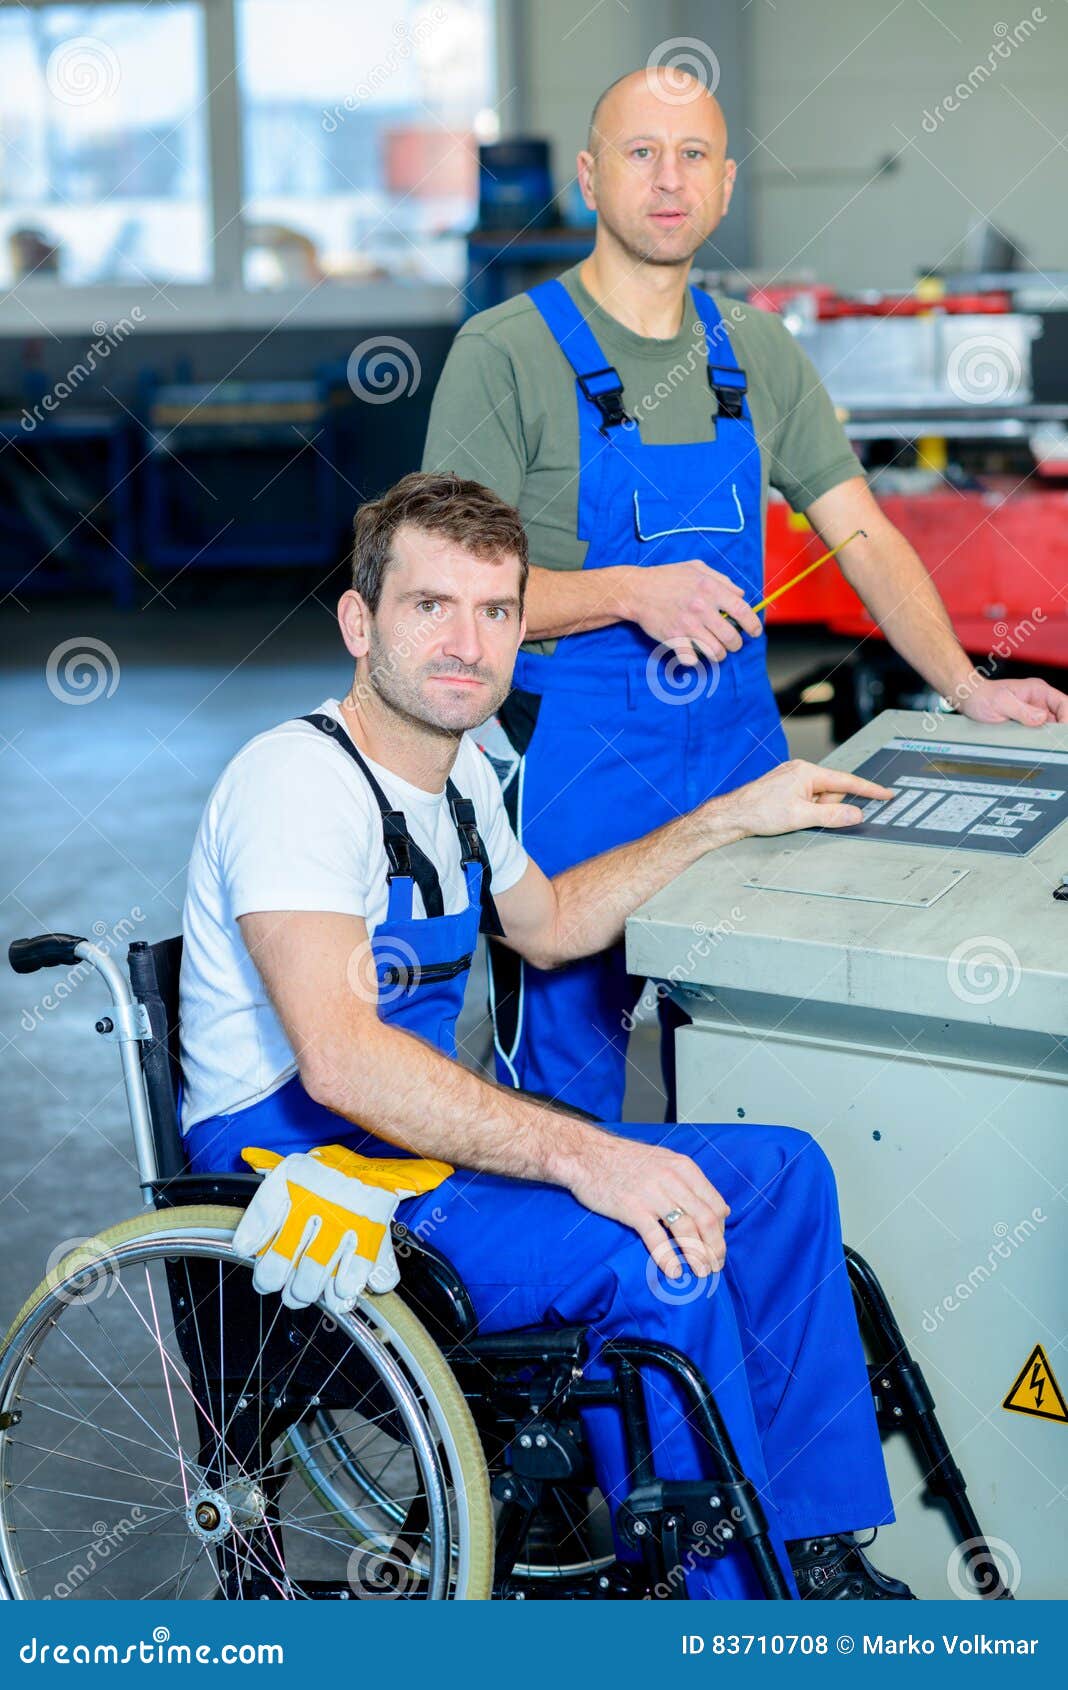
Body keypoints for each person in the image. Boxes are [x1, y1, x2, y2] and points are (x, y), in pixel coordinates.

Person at [179, 471, 912, 1601]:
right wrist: (590, 1152)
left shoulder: (462, 769)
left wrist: (730, 813)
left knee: (780, 1175)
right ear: (359, 622)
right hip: (305, 1172)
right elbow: (342, 1057)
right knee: (653, 1244)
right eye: (432, 607)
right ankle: (713, 1608)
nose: (467, 644)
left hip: (411, 1144)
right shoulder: (296, 785)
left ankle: (805, 1547)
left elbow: (555, 925)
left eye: (496, 611)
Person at [421, 65, 1068, 1124]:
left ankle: (739, 1270)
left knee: (760, 1052)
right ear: (590, 177)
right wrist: (630, 591)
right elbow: (447, 597)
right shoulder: (505, 353)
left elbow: (861, 527)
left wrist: (969, 685)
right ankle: (564, 1287)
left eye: (692, 157)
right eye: (640, 153)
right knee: (569, 1093)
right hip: (574, 768)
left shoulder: (756, 349)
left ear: (724, 186)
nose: (667, 180)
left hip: (739, 751)